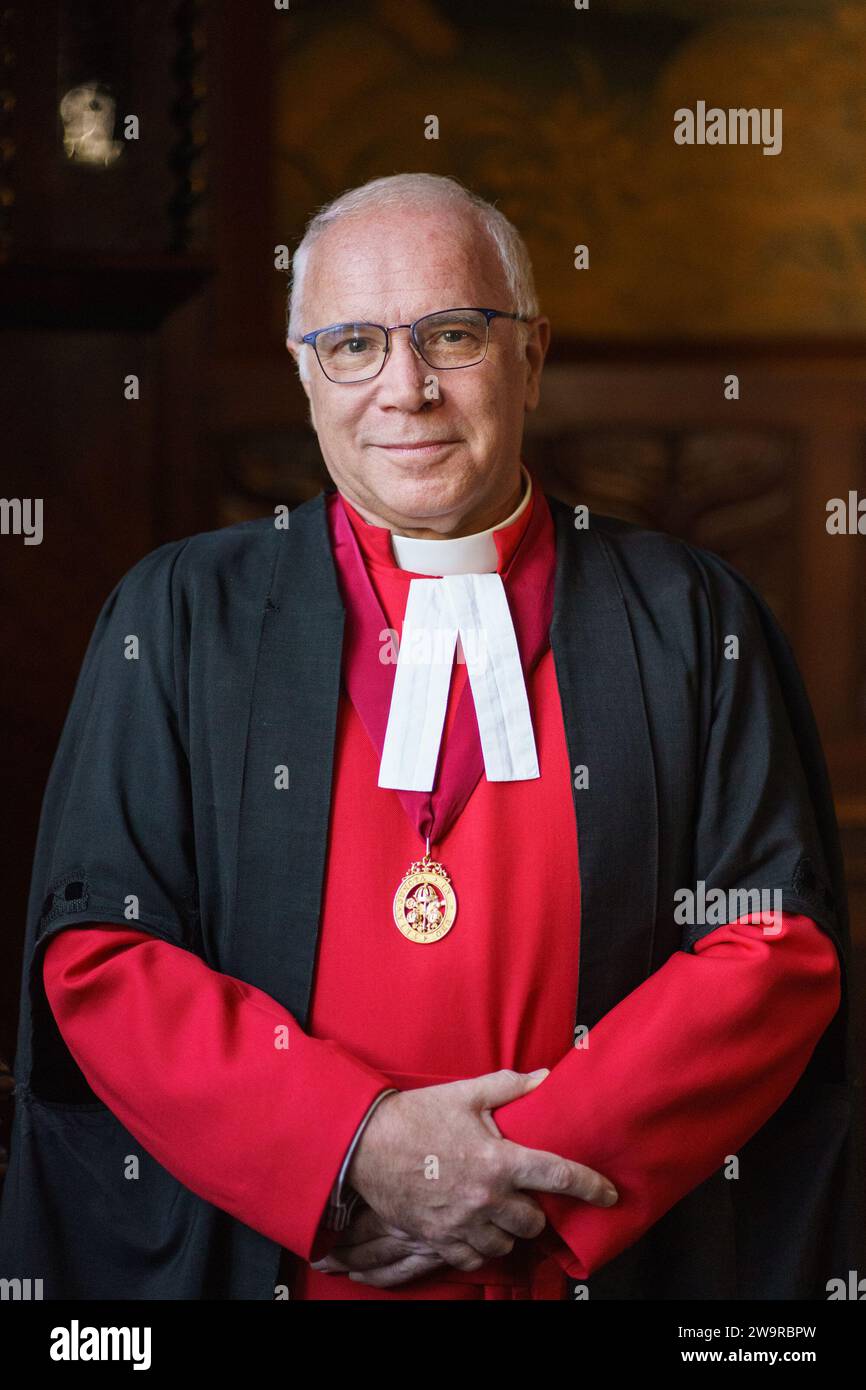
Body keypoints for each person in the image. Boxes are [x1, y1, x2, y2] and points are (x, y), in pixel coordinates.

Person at [0, 173, 862, 1301]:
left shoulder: (689, 616)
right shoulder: (176, 618)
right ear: (308, 373)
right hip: (283, 1256)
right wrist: (349, 1149)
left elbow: (771, 948)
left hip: (586, 1257)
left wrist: (512, 1177)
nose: (404, 389)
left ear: (532, 356)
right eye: (353, 344)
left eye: (450, 334)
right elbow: (102, 955)